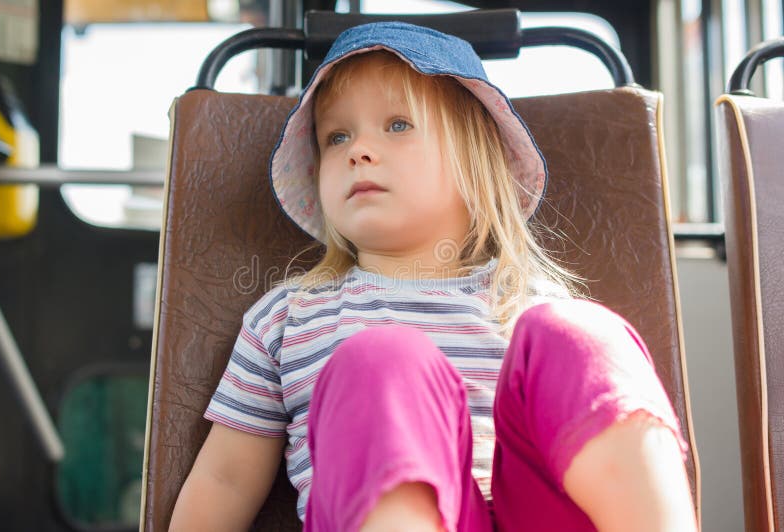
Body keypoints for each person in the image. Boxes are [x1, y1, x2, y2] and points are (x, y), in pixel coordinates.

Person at [170, 21, 697, 531]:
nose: (359, 150)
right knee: (380, 361)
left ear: (475, 164)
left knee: (578, 334)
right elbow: (226, 478)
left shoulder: (525, 303)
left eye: (398, 125)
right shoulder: (287, 317)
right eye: (335, 137)